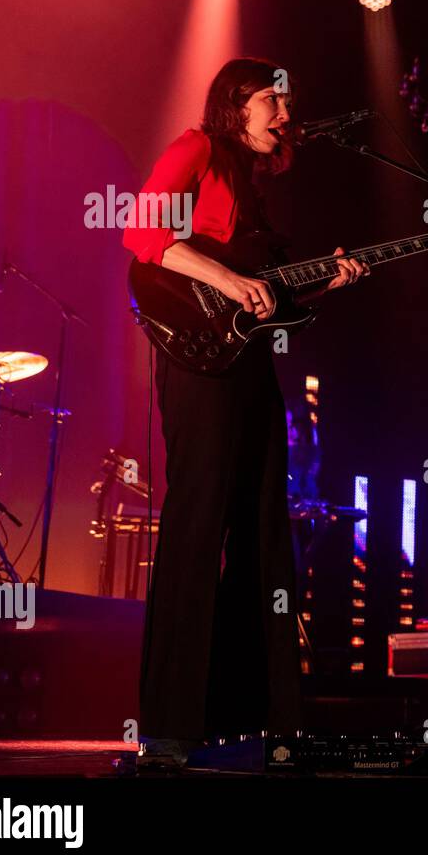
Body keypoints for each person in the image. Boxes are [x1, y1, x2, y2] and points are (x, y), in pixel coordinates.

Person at [123, 58, 367, 768]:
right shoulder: (195, 146)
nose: (285, 117)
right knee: (198, 523)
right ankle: (169, 725)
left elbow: (266, 301)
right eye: (273, 102)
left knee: (267, 531)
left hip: (251, 365)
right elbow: (142, 235)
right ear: (235, 104)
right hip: (196, 363)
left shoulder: (251, 185)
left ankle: (267, 717)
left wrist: (327, 283)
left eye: (286, 105)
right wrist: (228, 278)